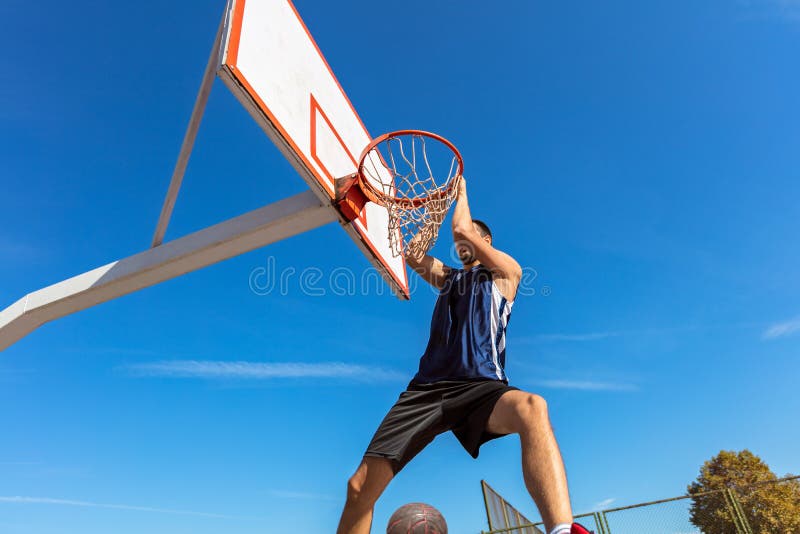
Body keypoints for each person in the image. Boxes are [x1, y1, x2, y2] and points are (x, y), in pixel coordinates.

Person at [336, 178, 591, 534]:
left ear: (485, 243)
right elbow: (412, 254)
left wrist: (460, 191)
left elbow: (462, 231)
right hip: (426, 390)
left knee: (532, 407)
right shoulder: (450, 279)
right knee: (359, 488)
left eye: (470, 237)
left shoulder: (506, 273)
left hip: (481, 388)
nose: (460, 243)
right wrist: (436, 210)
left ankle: (563, 531)